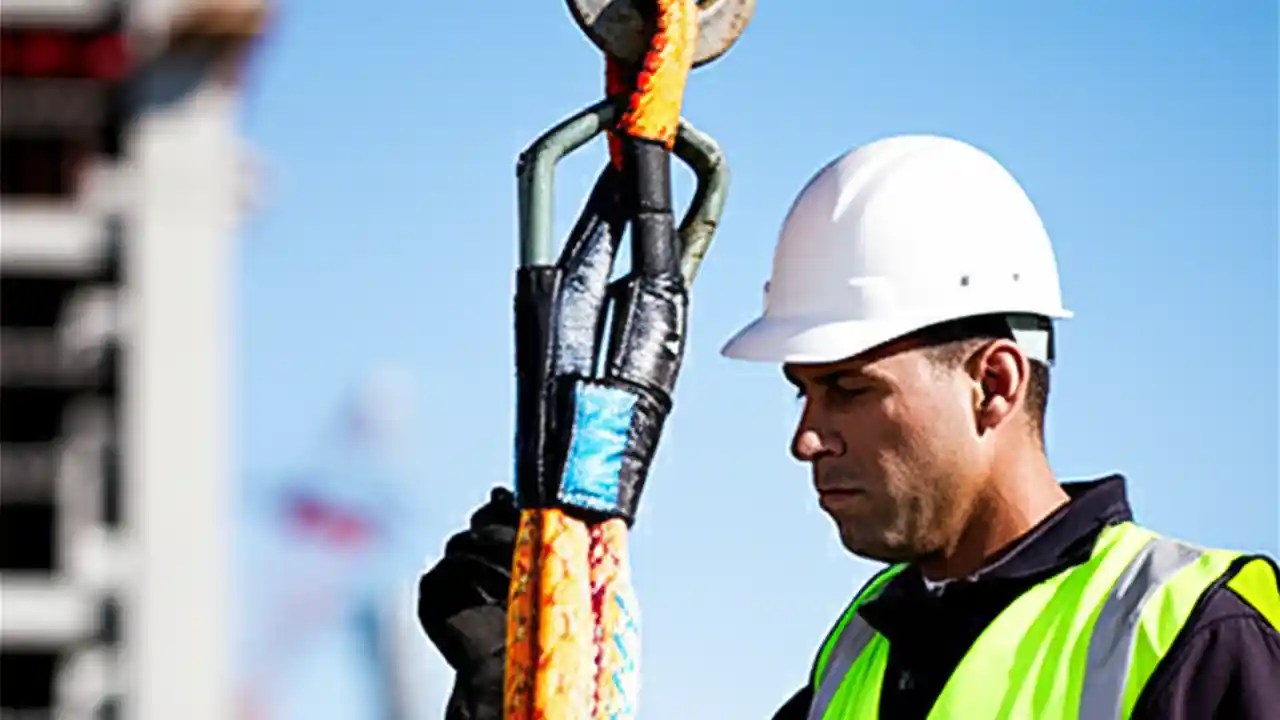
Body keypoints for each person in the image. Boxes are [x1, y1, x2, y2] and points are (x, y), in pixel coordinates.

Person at [417, 134, 1280, 719]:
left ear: (993, 384)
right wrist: (517, 683)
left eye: (849, 391)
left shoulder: (1196, 634)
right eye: (802, 392)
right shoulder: (864, 653)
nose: (806, 437)